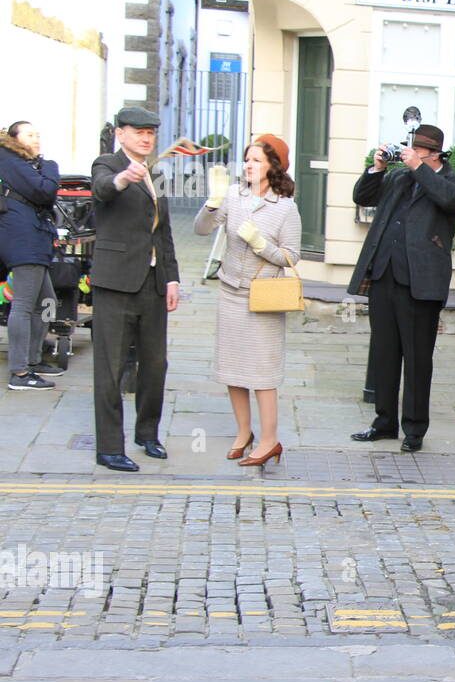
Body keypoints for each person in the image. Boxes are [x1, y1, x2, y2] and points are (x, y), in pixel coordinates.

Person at [348, 125, 455, 452]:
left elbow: (449, 200)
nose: (409, 156)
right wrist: (377, 168)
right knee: (384, 353)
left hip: (421, 282)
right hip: (384, 274)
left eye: (416, 151)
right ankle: (384, 422)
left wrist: (418, 168)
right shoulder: (397, 177)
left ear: (433, 154)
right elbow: (362, 196)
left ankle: (415, 428)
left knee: (417, 358)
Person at [195, 135, 302, 467]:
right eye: (247, 159)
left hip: (263, 299)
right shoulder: (233, 196)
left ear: (274, 166)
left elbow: (291, 257)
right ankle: (244, 432)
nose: (249, 165)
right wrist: (212, 203)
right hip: (230, 291)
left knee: (262, 374)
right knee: (233, 370)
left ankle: (270, 440)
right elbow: (200, 230)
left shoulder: (285, 208)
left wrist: (260, 245)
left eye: (256, 160)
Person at [88, 107, 181, 471]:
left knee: (155, 363)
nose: (146, 138)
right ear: (121, 134)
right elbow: (102, 190)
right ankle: (109, 447)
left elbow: (164, 231)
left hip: (153, 283)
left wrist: (172, 277)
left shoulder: (155, 173)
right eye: (139, 132)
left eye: (151, 133)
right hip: (115, 281)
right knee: (110, 367)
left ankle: (147, 433)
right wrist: (124, 178)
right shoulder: (107, 164)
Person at [0, 121, 63, 390]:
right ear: (14, 139)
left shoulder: (22, 162)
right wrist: (50, 167)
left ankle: (34, 360)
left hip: (32, 236)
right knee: (24, 305)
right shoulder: (11, 159)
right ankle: (20, 373)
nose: (36, 138)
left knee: (47, 301)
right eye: (29, 134)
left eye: (38, 133)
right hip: (23, 238)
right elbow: (44, 191)